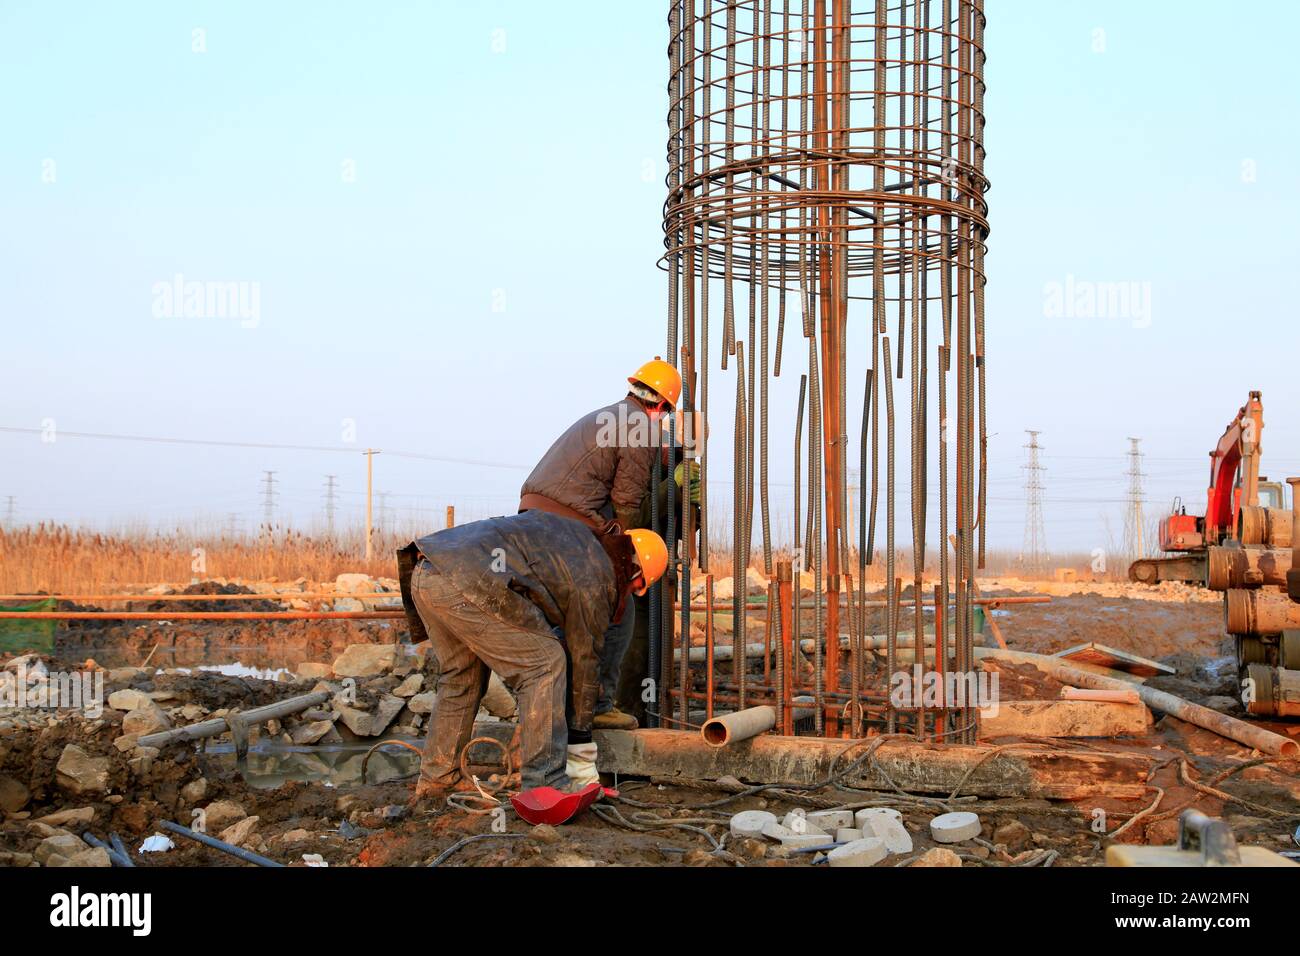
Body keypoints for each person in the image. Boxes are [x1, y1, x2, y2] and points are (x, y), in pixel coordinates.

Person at [397, 510, 667, 802]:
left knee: (461, 677)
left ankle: (438, 779)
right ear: (636, 570)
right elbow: (585, 660)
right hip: (465, 579)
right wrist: (579, 737)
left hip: (427, 569)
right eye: (637, 588)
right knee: (545, 664)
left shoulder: (582, 544)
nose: (632, 594)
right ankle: (544, 783)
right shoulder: (599, 574)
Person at [518, 358, 682, 730]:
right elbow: (627, 511)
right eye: (667, 414)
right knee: (616, 607)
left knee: (564, 614)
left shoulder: (609, 415)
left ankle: (554, 707)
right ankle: (599, 705)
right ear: (661, 406)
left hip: (536, 516)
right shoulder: (642, 428)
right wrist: (672, 488)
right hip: (569, 521)